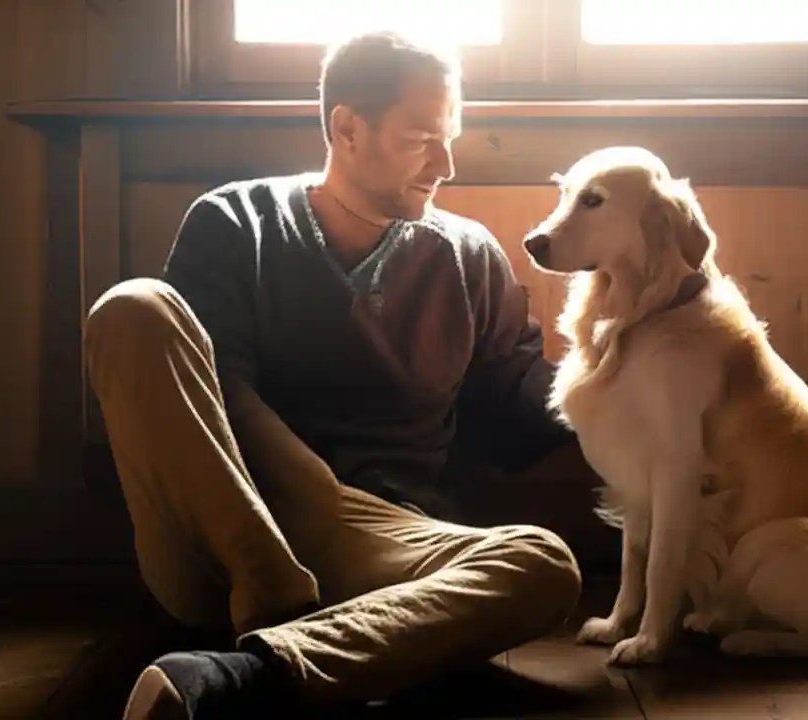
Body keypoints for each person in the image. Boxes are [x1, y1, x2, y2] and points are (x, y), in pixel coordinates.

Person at [84, 29, 598, 719]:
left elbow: (515, 405)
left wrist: (634, 369)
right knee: (133, 308)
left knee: (541, 565)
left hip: (378, 547)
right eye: (422, 138)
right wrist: (298, 508)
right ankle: (276, 597)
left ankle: (247, 675)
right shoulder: (236, 222)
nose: (445, 164)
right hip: (224, 529)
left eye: (452, 138)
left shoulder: (468, 256)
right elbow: (218, 395)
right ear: (346, 129)